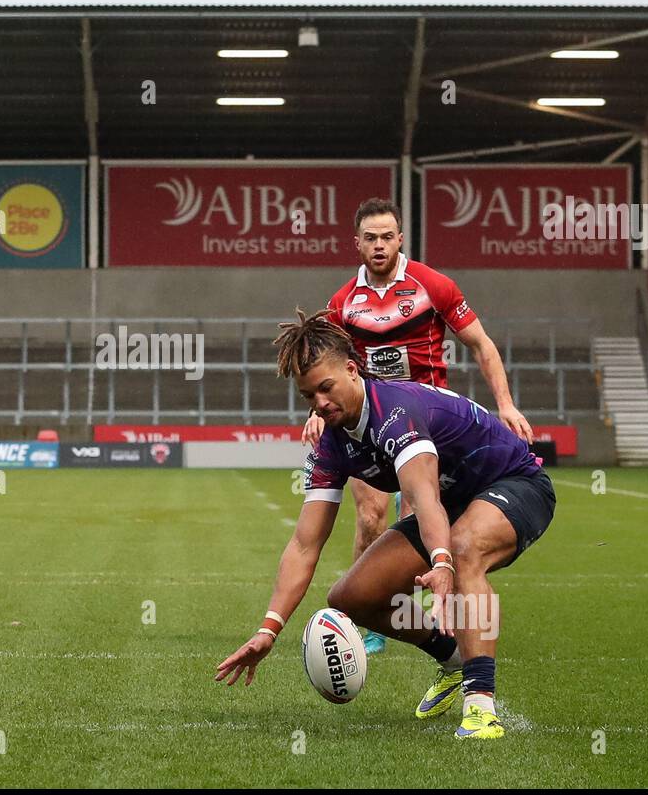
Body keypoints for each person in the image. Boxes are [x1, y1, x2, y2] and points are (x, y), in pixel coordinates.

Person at [216, 308, 555, 739]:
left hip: (515, 482)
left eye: (325, 388)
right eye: (308, 396)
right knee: (352, 595)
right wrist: (269, 628)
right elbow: (305, 545)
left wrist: (442, 562)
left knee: (465, 547)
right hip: (453, 501)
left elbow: (423, 497)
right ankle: (452, 659)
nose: (320, 403)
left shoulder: (396, 411)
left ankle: (481, 705)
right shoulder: (330, 446)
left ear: (352, 370)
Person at [302, 198, 535, 654]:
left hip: (423, 428)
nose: (379, 245)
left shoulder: (433, 285)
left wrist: (505, 404)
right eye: (370, 238)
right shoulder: (343, 301)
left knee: (418, 518)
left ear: (400, 238)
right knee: (370, 516)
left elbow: (482, 345)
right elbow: (323, 365)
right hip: (369, 426)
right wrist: (318, 411)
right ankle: (368, 622)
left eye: (387, 236)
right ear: (357, 244)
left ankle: (431, 614)